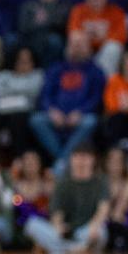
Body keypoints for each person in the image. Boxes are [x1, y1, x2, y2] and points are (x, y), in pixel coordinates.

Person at [30, 31, 106, 171]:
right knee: (37, 120)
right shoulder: (55, 68)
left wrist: (80, 112)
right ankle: (64, 160)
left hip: (81, 116)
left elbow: (97, 98)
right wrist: (51, 111)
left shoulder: (96, 71)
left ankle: (60, 163)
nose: (76, 48)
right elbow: (45, 95)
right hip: (56, 115)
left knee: (90, 121)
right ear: (67, 46)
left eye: (80, 45)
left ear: (89, 48)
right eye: (73, 44)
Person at [25, 146, 111, 254]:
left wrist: (94, 226)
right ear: (71, 159)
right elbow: (57, 212)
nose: (81, 161)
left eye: (85, 158)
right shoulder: (63, 183)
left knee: (101, 232)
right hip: (67, 233)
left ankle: (61, 249)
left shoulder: (100, 181)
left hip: (86, 231)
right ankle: (75, 250)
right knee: (32, 225)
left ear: (92, 160)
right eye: (77, 157)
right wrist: (58, 226)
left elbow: (103, 209)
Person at [0, 45, 42, 155]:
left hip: (26, 111)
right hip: (1, 109)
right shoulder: (3, 75)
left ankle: (19, 156)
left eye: (27, 61)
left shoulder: (37, 75)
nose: (24, 65)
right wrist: (21, 92)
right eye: (21, 61)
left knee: (18, 120)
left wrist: (9, 90)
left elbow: (34, 91)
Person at [67, 0, 127, 75]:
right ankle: (79, 83)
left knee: (113, 48)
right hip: (85, 49)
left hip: (105, 50)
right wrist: (90, 39)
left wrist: (100, 38)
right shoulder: (78, 10)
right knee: (74, 45)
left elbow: (121, 37)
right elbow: (73, 33)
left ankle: (103, 82)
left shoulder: (116, 12)